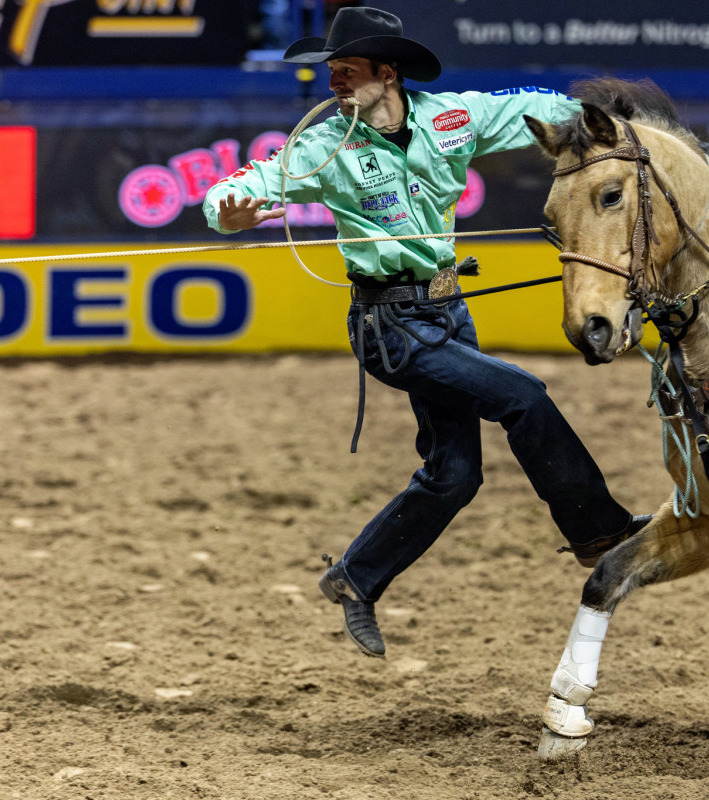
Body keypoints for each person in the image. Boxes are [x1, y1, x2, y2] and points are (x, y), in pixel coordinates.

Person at [204, 6, 648, 659]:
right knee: (522, 395)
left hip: (447, 311)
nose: (333, 84)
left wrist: (595, 122)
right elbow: (246, 188)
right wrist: (230, 212)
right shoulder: (324, 146)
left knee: (455, 475)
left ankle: (355, 578)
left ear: (388, 74)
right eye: (330, 72)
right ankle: (597, 531)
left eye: (346, 72)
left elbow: (530, 106)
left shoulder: (452, 118)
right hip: (390, 326)